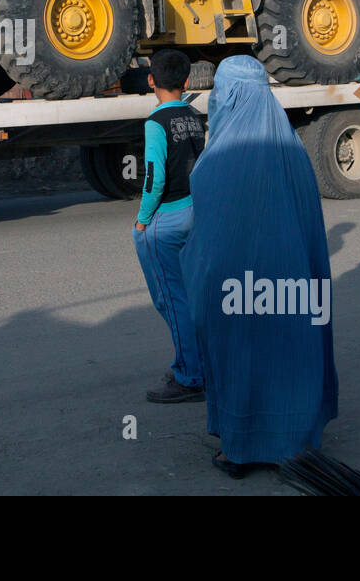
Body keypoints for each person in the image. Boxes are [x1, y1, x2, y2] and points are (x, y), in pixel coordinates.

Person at [181, 55, 338, 477]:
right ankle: (295, 442)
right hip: (291, 289)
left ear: (227, 97)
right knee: (289, 354)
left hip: (235, 291)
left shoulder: (215, 163)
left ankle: (240, 450)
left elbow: (207, 243)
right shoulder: (295, 153)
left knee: (242, 358)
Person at [132, 50, 206, 403]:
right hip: (196, 210)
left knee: (171, 300)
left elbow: (153, 178)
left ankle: (190, 375)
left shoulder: (155, 123)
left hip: (167, 219)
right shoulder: (194, 115)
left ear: (151, 81)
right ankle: (198, 364)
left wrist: (142, 220)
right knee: (191, 297)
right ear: (187, 82)